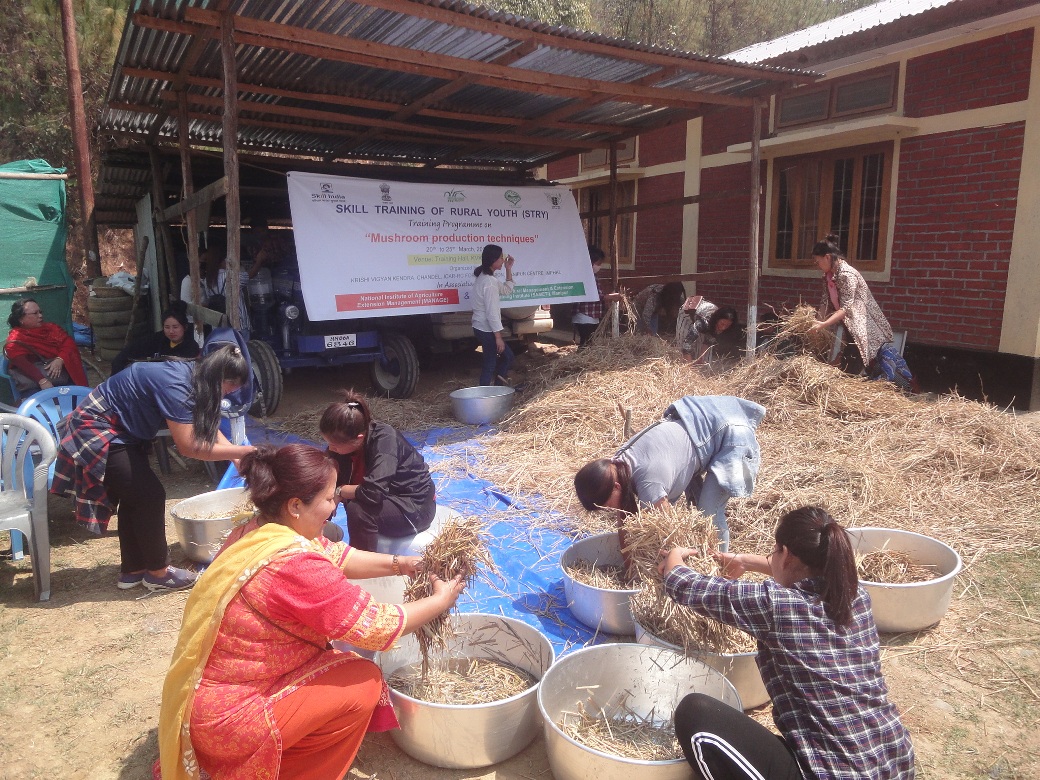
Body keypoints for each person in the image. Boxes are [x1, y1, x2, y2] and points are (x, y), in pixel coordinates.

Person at [157, 443, 464, 780]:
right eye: (331, 498)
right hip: (232, 720)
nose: (336, 507)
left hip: (207, 698)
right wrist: (439, 602)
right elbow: (376, 627)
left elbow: (338, 554)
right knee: (363, 683)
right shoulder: (295, 565)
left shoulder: (258, 530)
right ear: (295, 505)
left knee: (334, 657)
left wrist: (401, 564)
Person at [659, 506, 915, 779]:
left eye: (774, 551)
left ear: (788, 555)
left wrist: (674, 558)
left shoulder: (777, 606)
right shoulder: (855, 597)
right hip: (894, 761)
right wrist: (746, 561)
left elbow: (686, 586)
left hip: (835, 773)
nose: (771, 557)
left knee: (696, 715)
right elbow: (803, 571)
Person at [50, 342, 256, 592]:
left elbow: (207, 428)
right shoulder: (177, 384)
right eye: (230, 386)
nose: (229, 393)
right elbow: (189, 446)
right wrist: (244, 451)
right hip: (97, 427)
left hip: (121, 430)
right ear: (218, 376)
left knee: (135, 496)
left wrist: (236, 457)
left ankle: (133, 571)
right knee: (149, 494)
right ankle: (159, 573)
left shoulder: (196, 375)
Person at [573, 395, 765, 551]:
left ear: (615, 487)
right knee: (695, 507)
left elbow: (672, 532)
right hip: (699, 424)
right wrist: (629, 569)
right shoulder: (616, 466)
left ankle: (721, 573)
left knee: (709, 512)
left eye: (607, 506)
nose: (611, 511)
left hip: (729, 431)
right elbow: (625, 523)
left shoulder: (648, 483)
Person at [320, 390, 436, 552]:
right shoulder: (345, 447)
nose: (330, 448)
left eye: (335, 445)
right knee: (328, 490)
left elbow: (373, 493)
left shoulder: (385, 441)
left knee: (358, 510)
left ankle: (363, 569)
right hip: (386, 499)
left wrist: (340, 491)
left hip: (414, 506)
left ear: (359, 438)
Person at [810, 234, 917, 390]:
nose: (817, 264)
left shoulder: (847, 275)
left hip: (864, 329)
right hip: (851, 327)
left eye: (817, 261)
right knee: (851, 364)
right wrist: (817, 322)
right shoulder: (828, 276)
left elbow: (846, 308)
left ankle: (905, 387)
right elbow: (824, 303)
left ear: (827, 257)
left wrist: (824, 324)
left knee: (852, 368)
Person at [4, 298, 88, 395]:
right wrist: (42, 381)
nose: (40, 316)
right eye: (35, 313)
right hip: (35, 385)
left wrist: (60, 359)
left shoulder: (51, 329)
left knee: (77, 397)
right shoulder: (15, 340)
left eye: (40, 312)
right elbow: (23, 364)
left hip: (62, 378)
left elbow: (68, 343)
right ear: (21, 319)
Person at [471, 243, 516, 386]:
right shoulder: (489, 282)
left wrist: (508, 269)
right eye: (501, 258)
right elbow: (491, 313)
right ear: (493, 260)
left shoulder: (487, 277)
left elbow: (506, 290)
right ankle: (485, 395)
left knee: (506, 357)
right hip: (486, 328)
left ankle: (497, 388)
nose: (503, 261)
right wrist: (498, 338)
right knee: (491, 364)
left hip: (482, 326)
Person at [110, 305, 200, 375]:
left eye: (175, 327)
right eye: (167, 327)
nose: (171, 331)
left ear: (185, 327)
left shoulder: (191, 347)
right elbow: (132, 349)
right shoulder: (158, 339)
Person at [572, 245, 621, 349]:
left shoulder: (592, 276)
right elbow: (594, 295)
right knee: (586, 343)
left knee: (589, 343)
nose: (600, 266)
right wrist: (610, 297)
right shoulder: (584, 276)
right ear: (590, 262)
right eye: (598, 263)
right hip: (585, 315)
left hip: (591, 315)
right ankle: (581, 362)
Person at [676, 295, 738, 365]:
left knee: (704, 358)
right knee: (683, 344)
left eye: (727, 325)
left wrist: (701, 358)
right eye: (722, 324)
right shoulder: (703, 323)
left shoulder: (718, 325)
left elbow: (708, 340)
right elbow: (686, 343)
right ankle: (683, 366)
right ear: (717, 320)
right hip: (686, 314)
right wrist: (689, 366)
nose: (723, 328)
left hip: (703, 315)